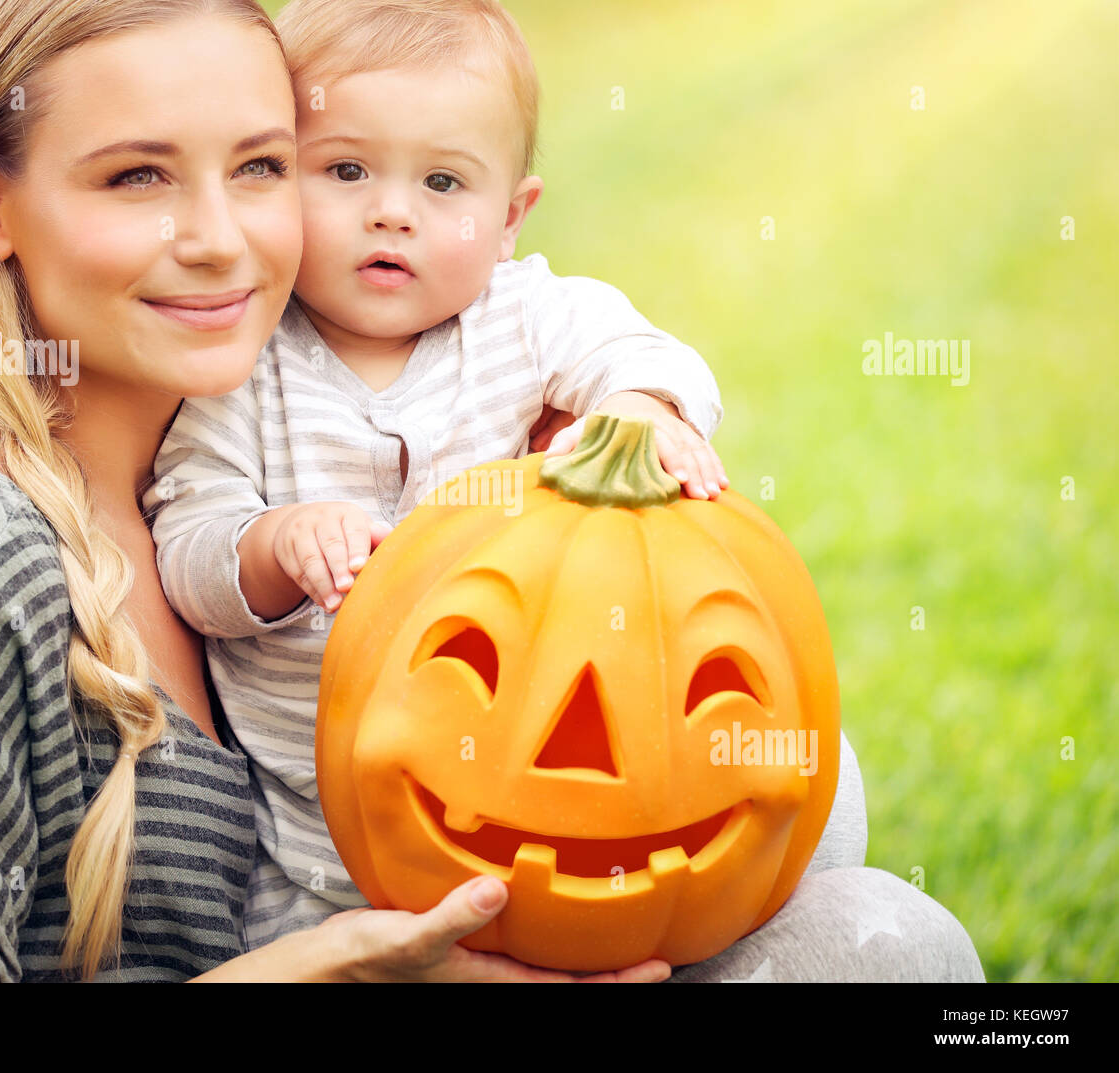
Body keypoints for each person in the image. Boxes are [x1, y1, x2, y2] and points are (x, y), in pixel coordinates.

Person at [0, 0, 668, 984]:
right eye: (138, 176)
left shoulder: (240, 448)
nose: (220, 240)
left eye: (261, 166)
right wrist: (317, 973)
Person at [145, 0, 985, 983]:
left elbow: (640, 350)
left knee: (805, 766)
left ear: (509, 217)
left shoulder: (523, 315)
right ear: (277, 181)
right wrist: (273, 541)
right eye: (344, 170)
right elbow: (189, 541)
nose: (392, 210)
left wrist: (636, 407)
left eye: (443, 181)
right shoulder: (247, 373)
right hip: (344, 877)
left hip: (591, 772)